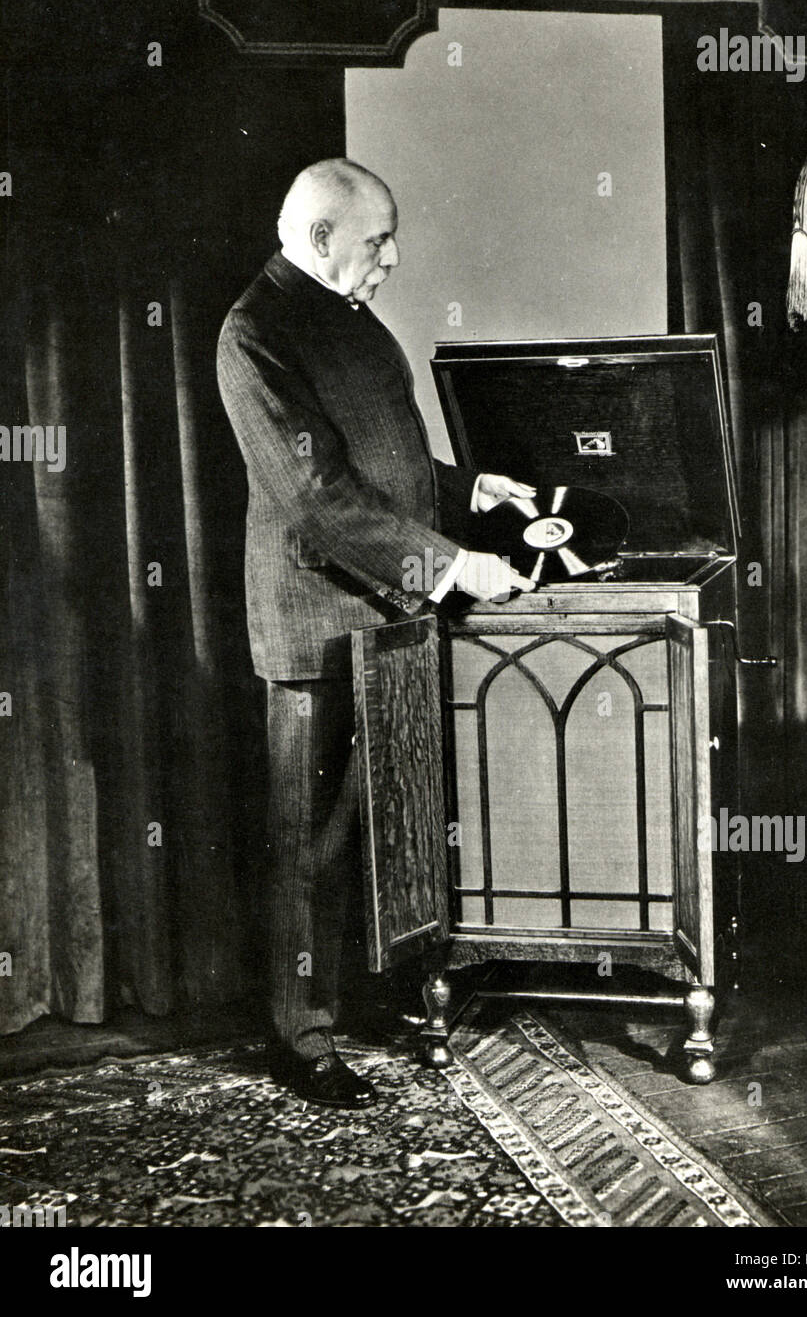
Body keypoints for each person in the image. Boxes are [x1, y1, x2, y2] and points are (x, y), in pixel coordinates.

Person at [217, 158, 533, 1108]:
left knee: (377, 824)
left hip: (382, 616)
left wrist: (467, 489)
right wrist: (448, 566)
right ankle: (302, 1038)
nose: (392, 257)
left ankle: (360, 998)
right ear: (320, 239)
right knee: (308, 845)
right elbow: (317, 500)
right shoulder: (254, 332)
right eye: (377, 240)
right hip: (314, 626)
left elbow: (382, 457)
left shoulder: (346, 313)